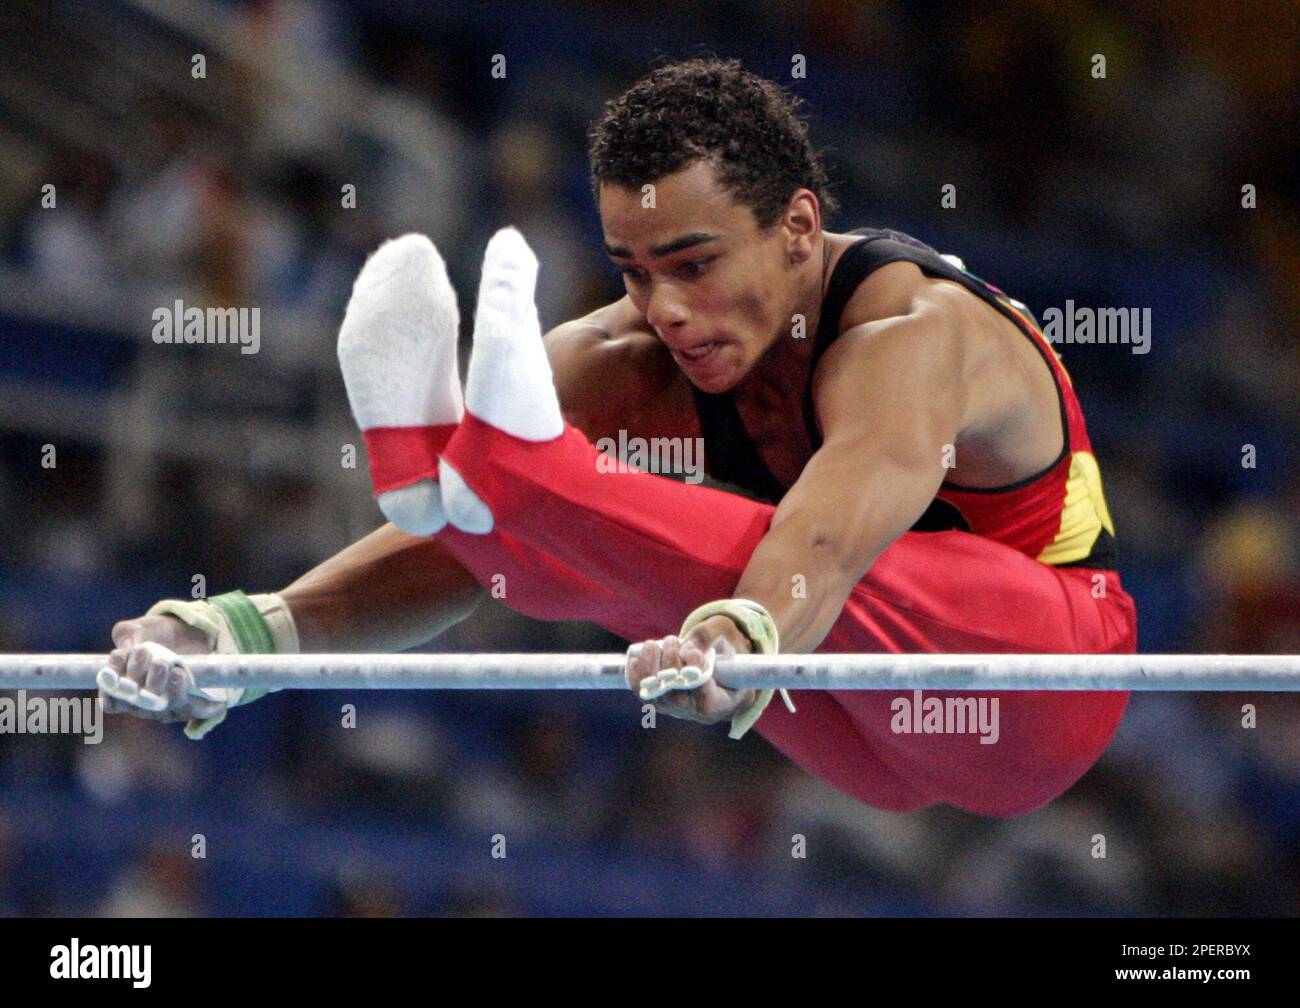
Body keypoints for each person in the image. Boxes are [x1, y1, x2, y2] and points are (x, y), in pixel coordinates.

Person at [102, 58, 1135, 817]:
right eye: (634, 269)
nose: (666, 307)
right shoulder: (627, 352)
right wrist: (243, 636)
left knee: (704, 551)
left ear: (799, 228)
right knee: (576, 552)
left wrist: (735, 637)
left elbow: (830, 538)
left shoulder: (910, 332)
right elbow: (464, 556)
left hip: (1035, 688)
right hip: (861, 731)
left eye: (693, 262)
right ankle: (488, 465)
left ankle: (523, 463)